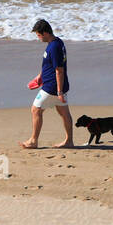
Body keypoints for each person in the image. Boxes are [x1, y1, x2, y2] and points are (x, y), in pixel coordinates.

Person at [21, 19, 73, 149]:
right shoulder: (56, 42)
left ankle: (33, 141)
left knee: (36, 110)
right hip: (57, 85)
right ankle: (69, 141)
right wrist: (40, 77)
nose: (38, 38)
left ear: (45, 33)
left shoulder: (54, 47)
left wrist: (59, 91)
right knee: (63, 112)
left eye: (38, 35)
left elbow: (59, 70)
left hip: (52, 87)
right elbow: (49, 65)